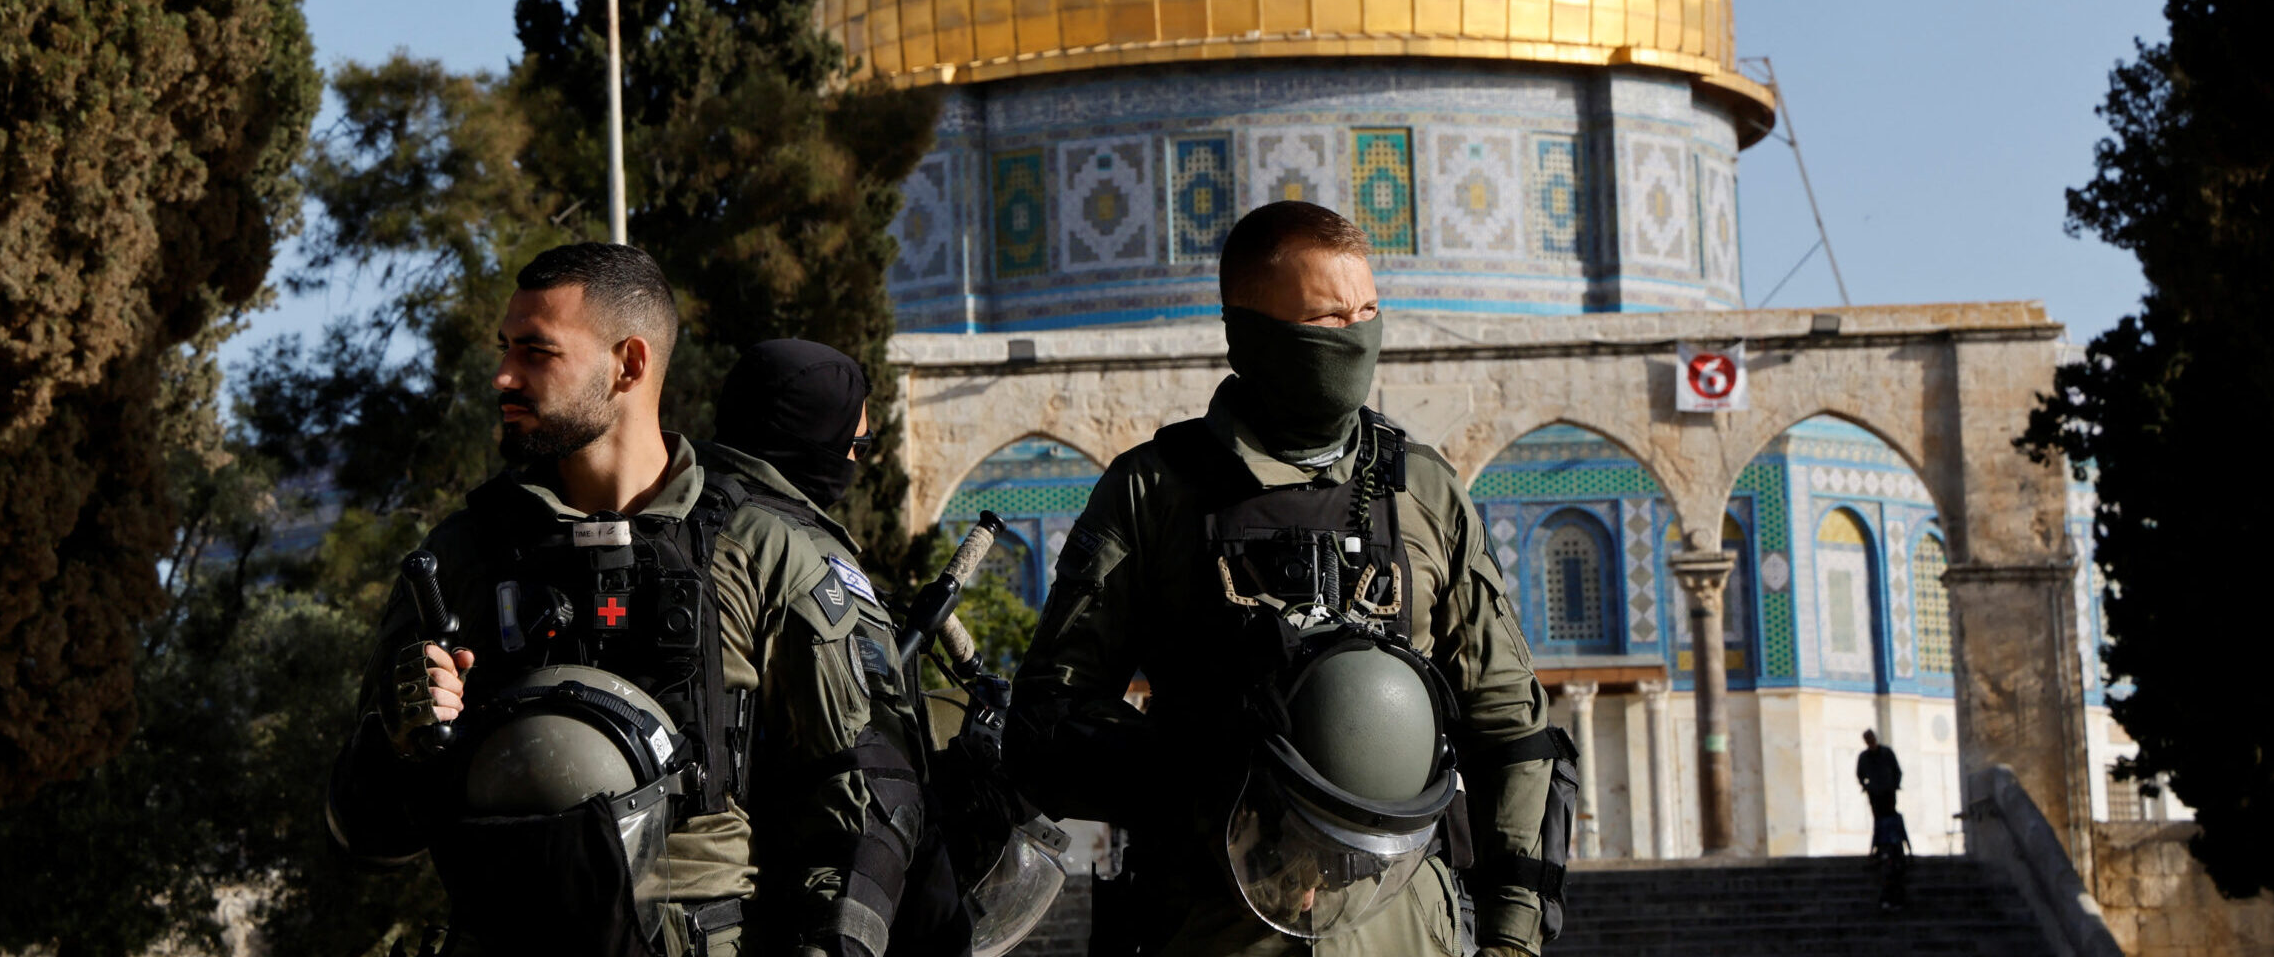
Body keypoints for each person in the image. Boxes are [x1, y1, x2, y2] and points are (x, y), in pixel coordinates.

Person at [1005, 201, 1562, 957]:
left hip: (1401, 932)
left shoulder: (1423, 493)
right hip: (1212, 925)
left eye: (1367, 311)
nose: (1356, 335)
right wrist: (1229, 783)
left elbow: (1512, 730)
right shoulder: (1157, 492)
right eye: (1329, 320)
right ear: (1252, 334)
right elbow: (1050, 716)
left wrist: (1512, 939)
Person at [325, 245, 842, 957]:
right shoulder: (463, 556)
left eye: (537, 351)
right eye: (506, 348)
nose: (504, 375)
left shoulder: (760, 550)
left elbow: (863, 804)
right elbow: (365, 833)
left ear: (629, 364)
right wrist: (401, 738)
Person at [697, 339, 971, 957]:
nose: (859, 462)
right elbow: (869, 780)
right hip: (766, 910)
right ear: (813, 440)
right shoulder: (799, 553)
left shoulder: (671, 520)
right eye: (858, 445)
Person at [1857, 730, 1903, 861]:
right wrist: (1866, 786)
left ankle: (1894, 846)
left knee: (1890, 819)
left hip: (1888, 792)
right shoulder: (1864, 757)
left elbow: (1897, 770)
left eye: (1871, 739)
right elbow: (1860, 774)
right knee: (1878, 820)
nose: (1871, 742)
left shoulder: (1887, 753)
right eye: (1868, 740)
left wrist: (1894, 785)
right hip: (1875, 794)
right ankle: (1881, 847)